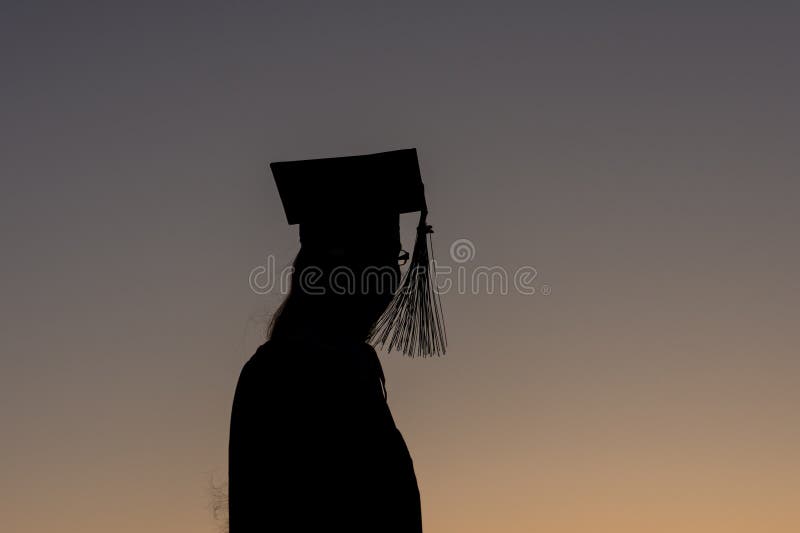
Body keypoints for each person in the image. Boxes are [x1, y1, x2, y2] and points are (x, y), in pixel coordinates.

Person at [228, 148, 446, 532]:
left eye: (393, 260)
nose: (391, 281)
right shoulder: (287, 375)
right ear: (338, 263)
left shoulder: (343, 369)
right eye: (381, 259)